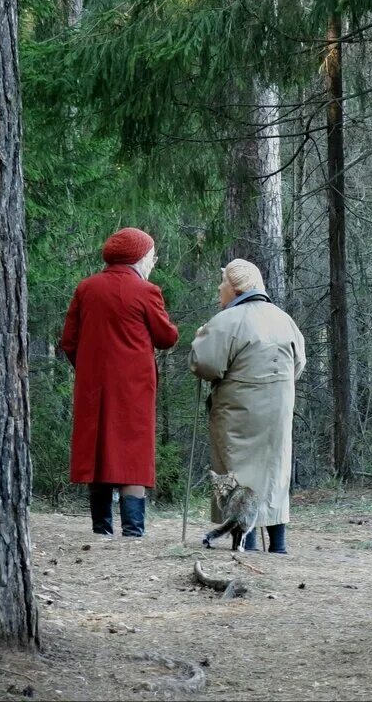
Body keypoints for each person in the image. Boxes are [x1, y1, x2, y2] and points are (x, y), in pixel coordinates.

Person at [60, 227, 178, 537]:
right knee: (132, 452)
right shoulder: (146, 291)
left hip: (93, 386)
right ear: (140, 258)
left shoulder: (87, 288)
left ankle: (101, 528)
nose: (153, 262)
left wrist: (89, 367)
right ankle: (133, 530)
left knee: (99, 449)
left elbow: (69, 341)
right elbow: (167, 338)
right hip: (133, 387)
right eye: (152, 256)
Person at [189, 259, 306, 553]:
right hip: (277, 411)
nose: (219, 288)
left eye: (224, 283)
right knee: (275, 472)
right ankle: (278, 544)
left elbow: (205, 365)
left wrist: (199, 339)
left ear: (238, 288)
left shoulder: (227, 321)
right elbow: (299, 365)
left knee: (237, 474)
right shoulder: (284, 319)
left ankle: (246, 542)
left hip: (237, 412)